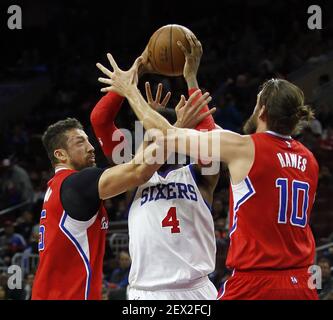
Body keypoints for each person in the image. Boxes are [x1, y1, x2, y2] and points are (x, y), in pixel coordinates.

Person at [97, 36, 319, 299]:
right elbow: (210, 132)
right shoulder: (309, 160)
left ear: (262, 111)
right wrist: (191, 79)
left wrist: (130, 90)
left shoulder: (243, 147)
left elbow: (172, 136)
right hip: (302, 281)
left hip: (255, 281)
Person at [93, 34, 220, 299]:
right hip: (146, 294)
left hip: (195, 290)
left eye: (155, 135)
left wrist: (191, 79)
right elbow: (101, 121)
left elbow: (208, 139)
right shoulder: (134, 175)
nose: (151, 142)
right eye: (148, 137)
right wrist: (134, 70)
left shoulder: (199, 175)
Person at [31, 79, 170, 300]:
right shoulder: (78, 183)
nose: (91, 147)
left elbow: (135, 167)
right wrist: (164, 129)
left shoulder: (61, 187)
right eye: (80, 143)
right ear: (60, 154)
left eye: (88, 140)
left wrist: (151, 125)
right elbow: (139, 171)